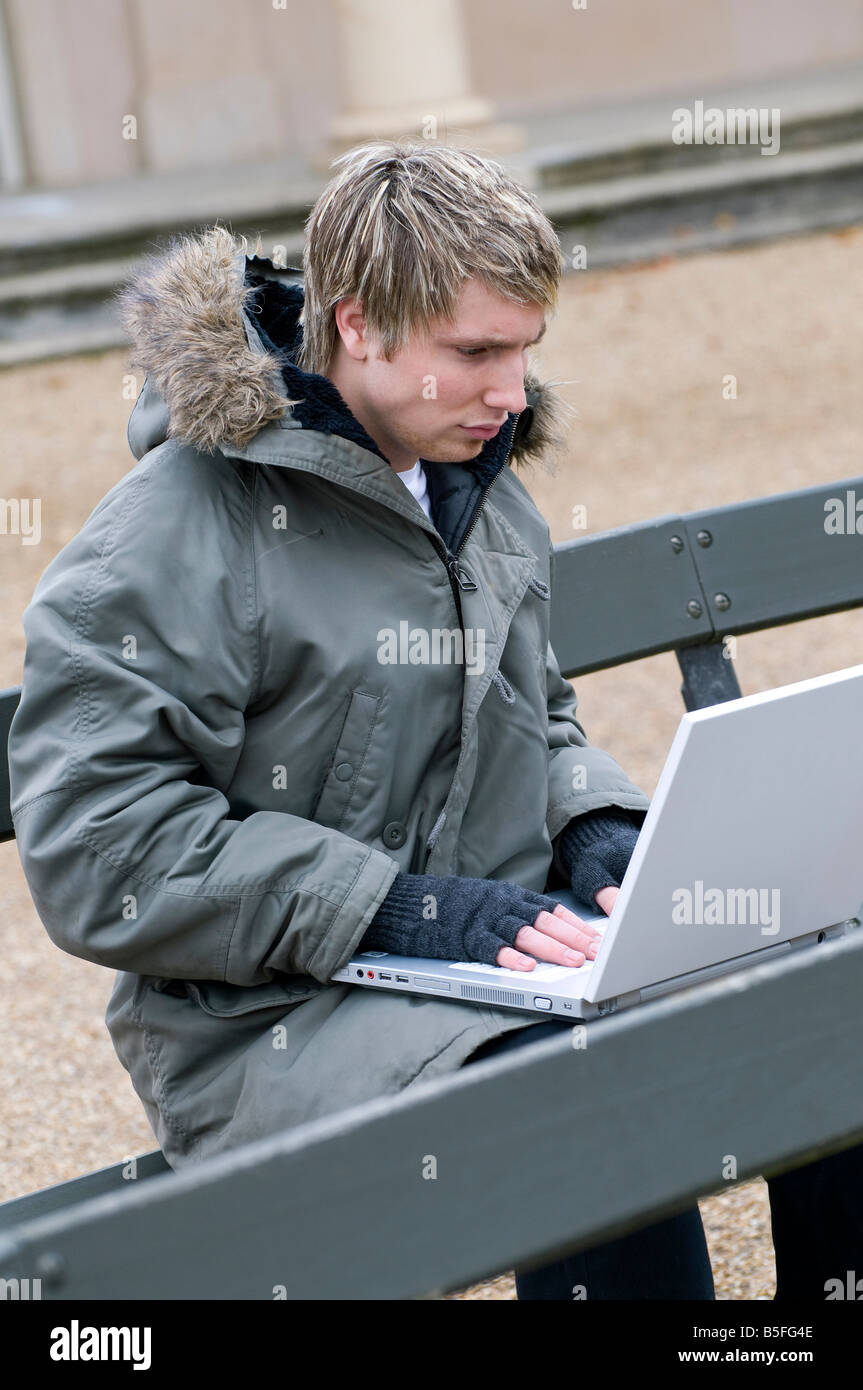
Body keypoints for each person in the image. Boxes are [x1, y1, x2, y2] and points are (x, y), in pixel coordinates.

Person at [7, 140, 859, 1301]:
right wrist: (406, 908)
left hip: (495, 963)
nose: (512, 395)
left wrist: (596, 831)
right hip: (271, 1020)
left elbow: (537, 717)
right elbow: (100, 844)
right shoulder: (167, 538)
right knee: (580, 1092)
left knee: (821, 992)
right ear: (356, 326)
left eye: (524, 350)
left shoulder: (474, 478)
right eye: (475, 353)